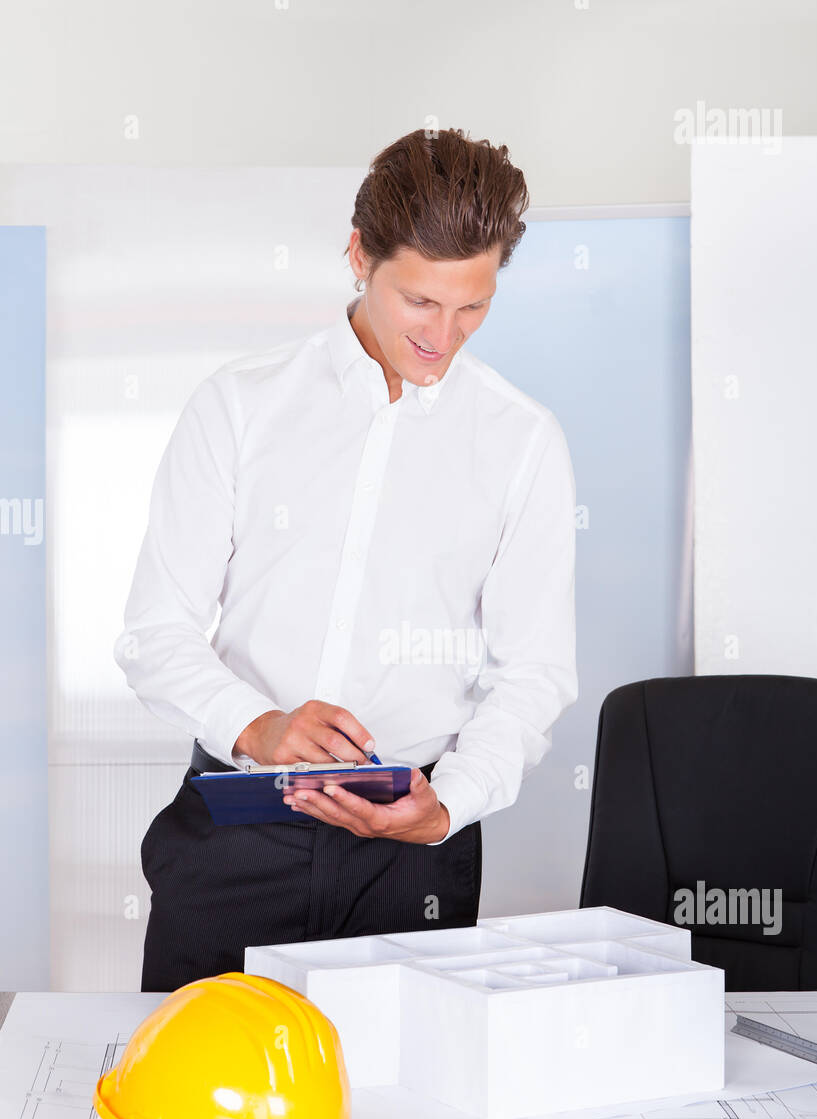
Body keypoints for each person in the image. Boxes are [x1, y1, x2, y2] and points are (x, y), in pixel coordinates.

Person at [116, 127, 578, 992]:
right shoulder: (239, 407)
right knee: (192, 1109)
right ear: (359, 255)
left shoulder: (522, 441)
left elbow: (536, 672)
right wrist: (259, 727)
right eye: (419, 302)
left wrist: (451, 805)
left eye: (471, 306)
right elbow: (154, 634)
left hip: (410, 862)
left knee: (399, 1116)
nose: (444, 336)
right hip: (235, 843)